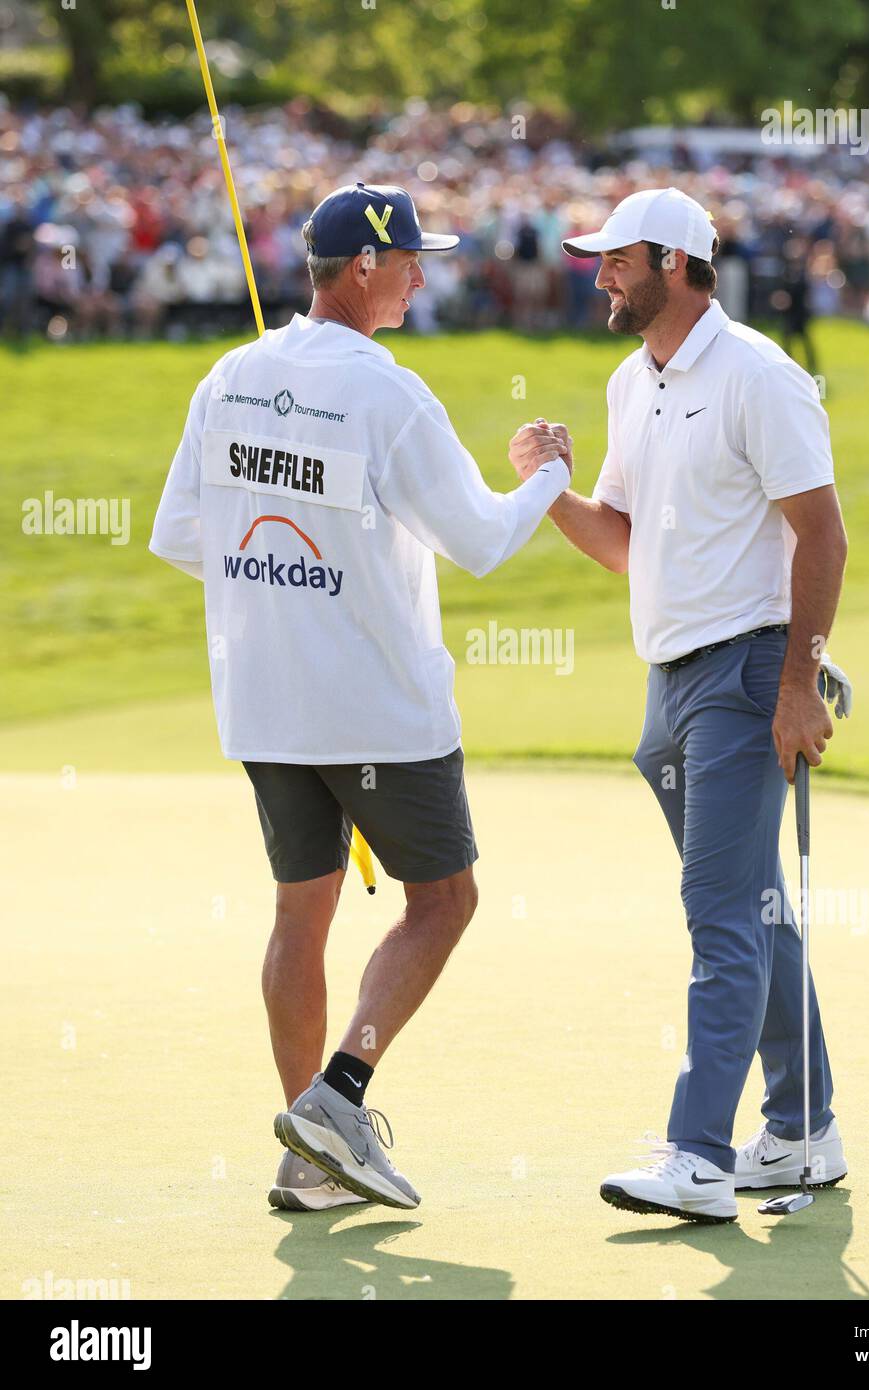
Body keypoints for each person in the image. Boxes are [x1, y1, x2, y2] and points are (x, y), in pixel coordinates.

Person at [149, 182, 570, 1212]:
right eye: (412, 259)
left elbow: (182, 537)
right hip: (379, 707)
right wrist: (546, 475)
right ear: (366, 268)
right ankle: (338, 1099)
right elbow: (479, 539)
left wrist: (284, 584)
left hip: (266, 702)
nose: (423, 275)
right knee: (447, 899)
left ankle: (308, 1156)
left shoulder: (228, 377)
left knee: (302, 909)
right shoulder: (388, 392)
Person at [510, 187, 851, 1224]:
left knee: (719, 918)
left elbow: (823, 534)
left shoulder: (756, 373)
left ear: (668, 259)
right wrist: (545, 486)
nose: (598, 276)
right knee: (754, 909)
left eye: (613, 260)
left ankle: (699, 1155)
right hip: (667, 680)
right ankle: (802, 1130)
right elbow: (623, 540)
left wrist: (798, 681)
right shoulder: (630, 381)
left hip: (746, 673)